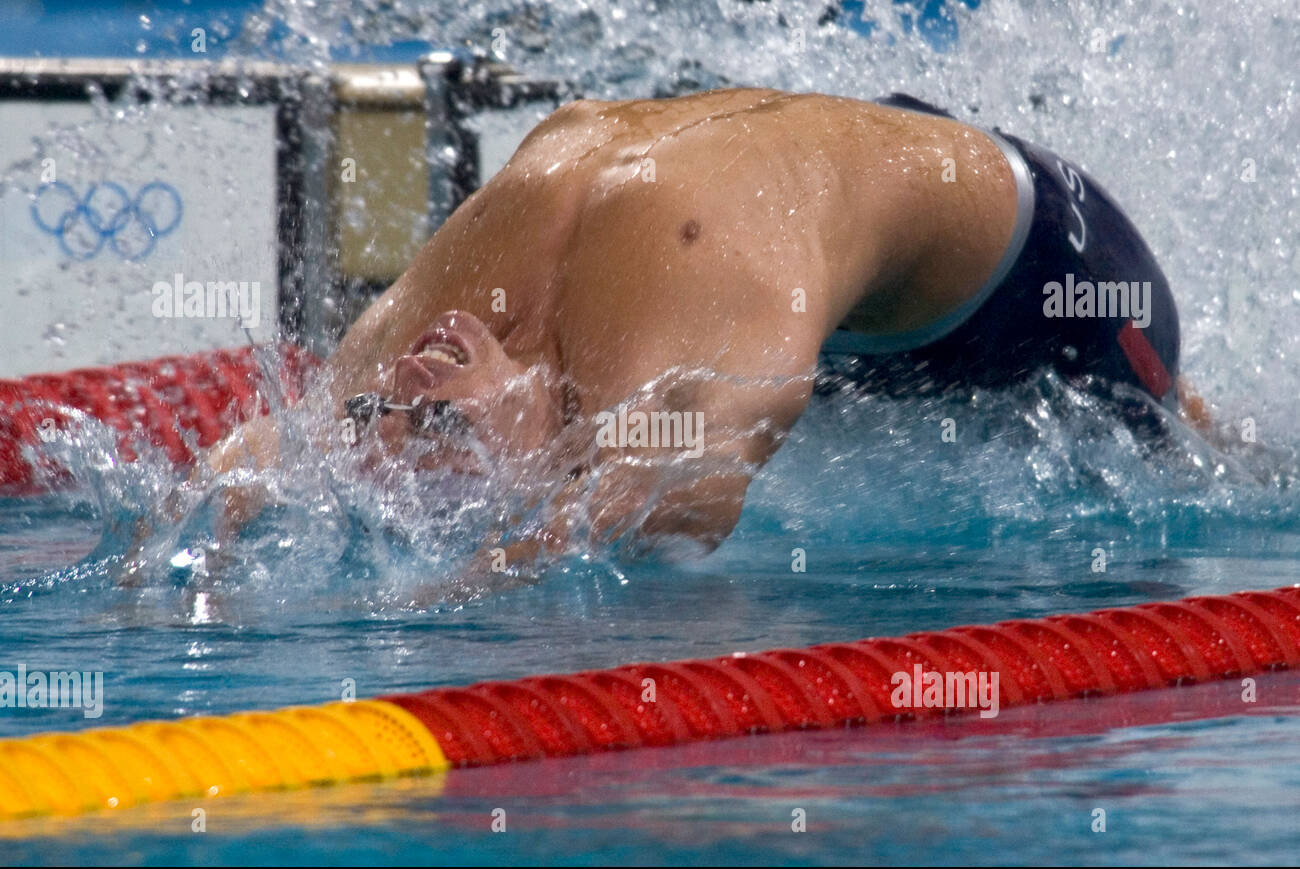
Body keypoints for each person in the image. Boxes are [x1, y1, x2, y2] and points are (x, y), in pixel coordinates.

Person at [209, 88, 1193, 562]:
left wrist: (545, 490)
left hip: (1050, 278)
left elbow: (686, 492)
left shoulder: (688, 289)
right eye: (417, 420)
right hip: (827, 216)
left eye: (437, 430)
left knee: (1180, 462)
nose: (400, 432)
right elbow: (283, 445)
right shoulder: (442, 318)